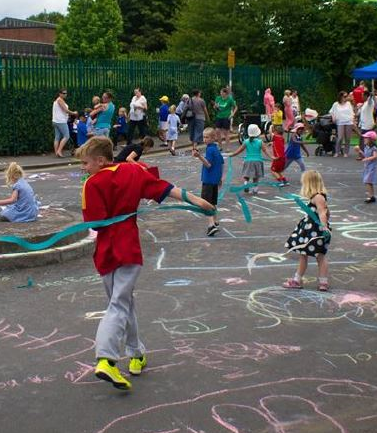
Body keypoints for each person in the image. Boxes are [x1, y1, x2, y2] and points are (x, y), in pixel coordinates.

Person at [77, 136, 215, 391]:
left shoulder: (92, 184)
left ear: (100, 160)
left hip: (107, 252)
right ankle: (136, 353)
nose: (84, 168)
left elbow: (94, 223)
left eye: (86, 163)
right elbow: (162, 188)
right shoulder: (132, 171)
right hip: (128, 248)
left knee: (117, 303)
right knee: (123, 303)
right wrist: (196, 200)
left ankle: (106, 358)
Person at [282, 170, 332, 292]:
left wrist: (324, 227)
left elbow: (322, 212)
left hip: (314, 231)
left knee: (318, 256)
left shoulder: (318, 197)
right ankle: (301, 280)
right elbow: (326, 211)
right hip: (310, 229)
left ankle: (319, 282)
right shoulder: (316, 196)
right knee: (305, 255)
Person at [194, 127, 224, 236]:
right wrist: (220, 177)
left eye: (207, 137)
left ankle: (211, 225)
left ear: (213, 138)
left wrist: (199, 156)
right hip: (214, 180)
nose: (205, 139)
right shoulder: (216, 149)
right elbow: (221, 163)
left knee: (206, 203)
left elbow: (208, 164)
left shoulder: (210, 150)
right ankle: (215, 221)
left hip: (208, 180)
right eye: (204, 137)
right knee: (212, 202)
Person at [227, 123, 266, 194]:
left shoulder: (246, 141)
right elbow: (265, 151)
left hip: (248, 161)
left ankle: (246, 183)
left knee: (247, 175)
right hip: (258, 161)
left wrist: (232, 154)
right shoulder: (260, 142)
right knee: (256, 176)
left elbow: (239, 150)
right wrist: (272, 157)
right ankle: (255, 189)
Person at [329, 91, 355, 158]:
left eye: (347, 96)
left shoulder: (348, 104)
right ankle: (337, 152)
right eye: (344, 96)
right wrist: (333, 117)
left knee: (347, 138)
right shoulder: (336, 104)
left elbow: (352, 112)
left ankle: (346, 152)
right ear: (341, 97)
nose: (346, 98)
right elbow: (331, 111)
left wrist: (353, 120)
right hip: (340, 121)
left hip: (348, 121)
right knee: (340, 137)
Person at [52, 89, 76, 158]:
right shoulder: (59, 100)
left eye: (66, 93)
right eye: (63, 93)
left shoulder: (57, 100)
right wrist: (74, 113)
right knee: (66, 136)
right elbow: (65, 110)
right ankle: (59, 151)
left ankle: (56, 152)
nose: (65, 94)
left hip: (55, 121)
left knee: (57, 137)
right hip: (61, 121)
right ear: (60, 94)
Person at [357, 130, 377, 203]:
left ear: (371, 140)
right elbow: (365, 156)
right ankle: (372, 196)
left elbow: (375, 156)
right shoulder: (366, 147)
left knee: (367, 181)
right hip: (367, 167)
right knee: (368, 182)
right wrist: (360, 152)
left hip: (372, 167)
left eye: (366, 138)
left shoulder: (374, 148)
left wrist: (366, 159)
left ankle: (370, 196)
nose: (364, 139)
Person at [356, 82, 377, 153]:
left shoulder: (369, 103)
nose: (361, 97)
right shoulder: (364, 104)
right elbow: (359, 113)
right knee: (369, 139)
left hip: (368, 125)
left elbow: (370, 99)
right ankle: (371, 151)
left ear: (366, 96)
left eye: (362, 95)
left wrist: (371, 94)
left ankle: (362, 153)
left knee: (364, 139)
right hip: (364, 124)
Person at [189, 89, 208, 154]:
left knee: (192, 131)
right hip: (200, 118)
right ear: (198, 93)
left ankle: (193, 146)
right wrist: (207, 117)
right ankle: (195, 147)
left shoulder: (190, 100)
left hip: (191, 118)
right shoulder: (201, 100)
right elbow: (205, 110)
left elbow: (186, 108)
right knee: (198, 131)